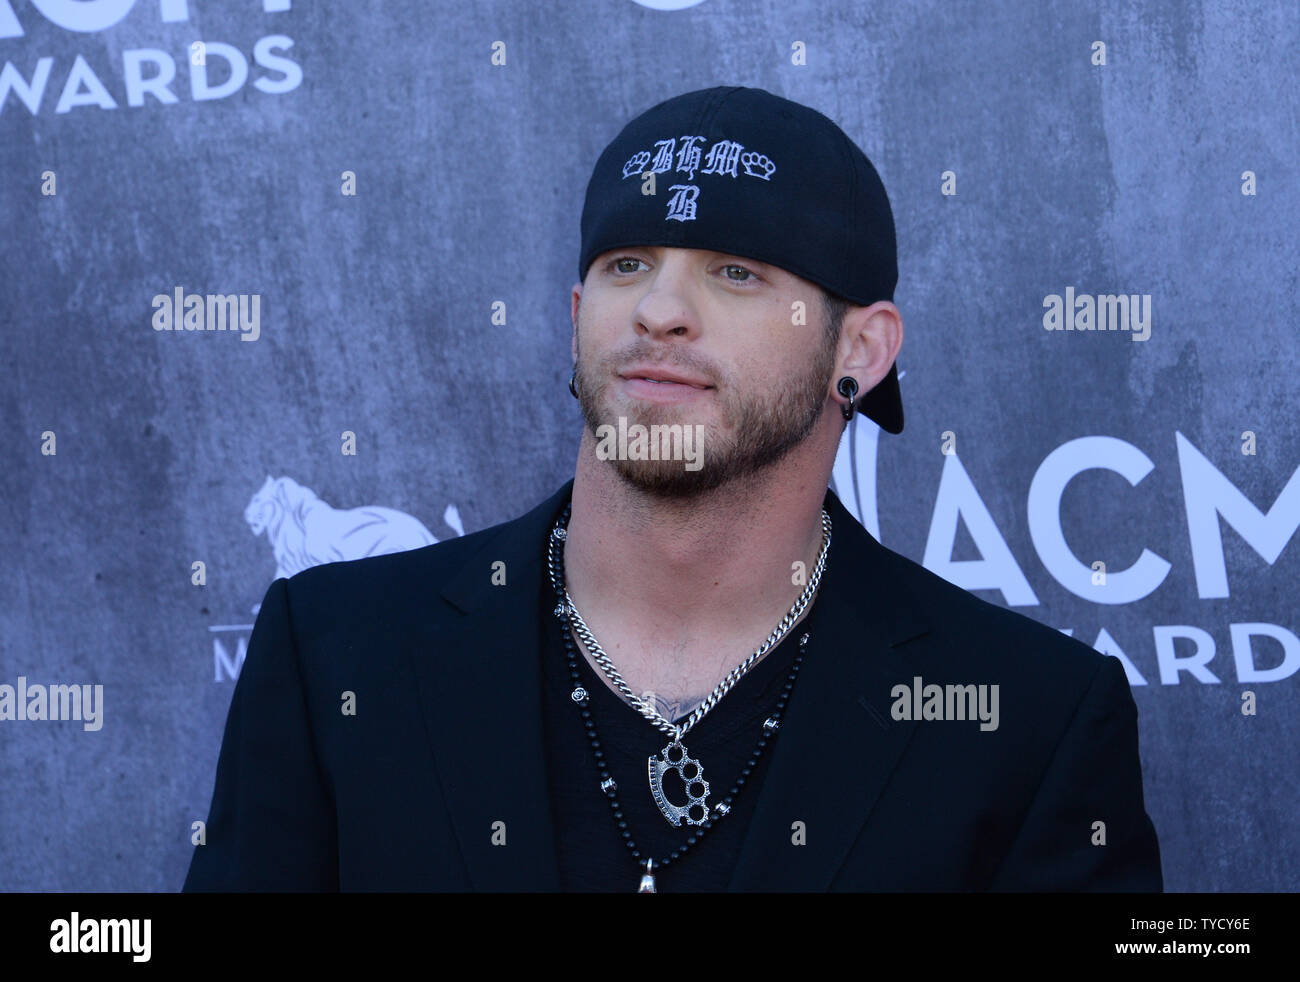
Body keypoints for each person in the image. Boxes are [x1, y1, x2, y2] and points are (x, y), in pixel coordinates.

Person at [184, 85, 1162, 893]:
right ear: (576, 317)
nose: (658, 310)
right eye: (627, 265)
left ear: (858, 348)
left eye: (735, 272)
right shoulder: (335, 658)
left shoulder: (1026, 717)